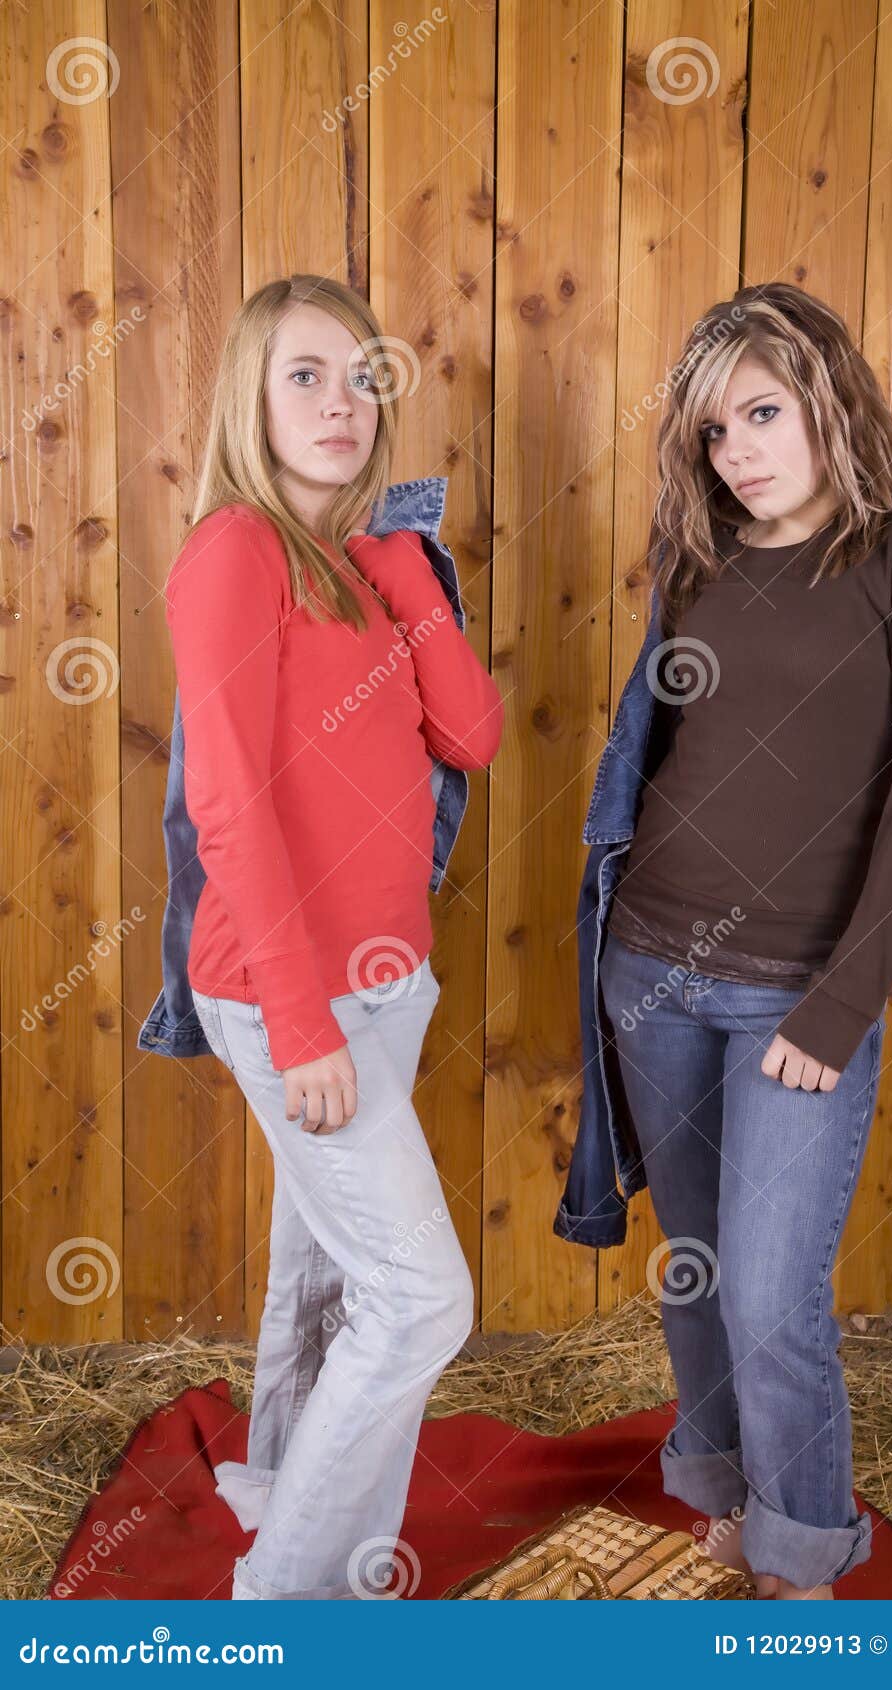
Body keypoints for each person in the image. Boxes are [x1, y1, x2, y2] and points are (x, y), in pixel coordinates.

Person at [597, 283, 892, 1598]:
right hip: (650, 962)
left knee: (774, 1299)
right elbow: (653, 759)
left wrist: (835, 1010)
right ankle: (719, 1490)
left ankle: (802, 1555)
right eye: (715, 430)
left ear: (830, 395)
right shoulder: (699, 554)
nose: (740, 451)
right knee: (696, 1269)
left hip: (797, 991)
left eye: (763, 412)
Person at [166, 273, 503, 1598]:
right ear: (251, 395)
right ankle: (285, 1603)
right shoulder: (234, 552)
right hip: (283, 991)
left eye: (362, 375)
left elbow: (469, 735)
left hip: (391, 988)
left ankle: (275, 1478)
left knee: (324, 1271)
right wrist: (300, 1020)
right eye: (305, 374)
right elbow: (227, 806)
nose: (341, 401)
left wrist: (410, 574)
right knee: (422, 1300)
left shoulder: (372, 567)